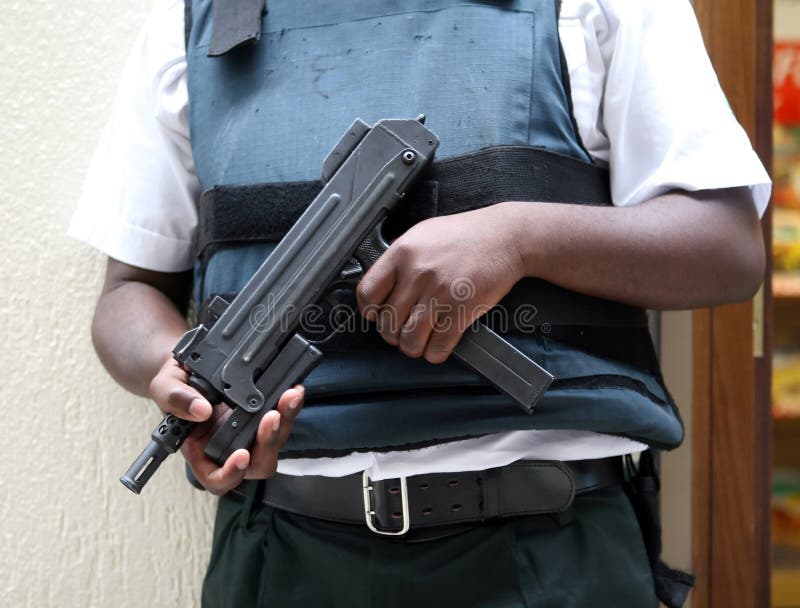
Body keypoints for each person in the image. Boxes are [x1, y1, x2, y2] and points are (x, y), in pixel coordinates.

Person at [71, 0, 770, 606]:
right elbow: (129, 292)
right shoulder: (198, 21)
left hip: (548, 552)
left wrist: (520, 239)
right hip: (280, 553)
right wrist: (176, 379)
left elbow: (726, 246)